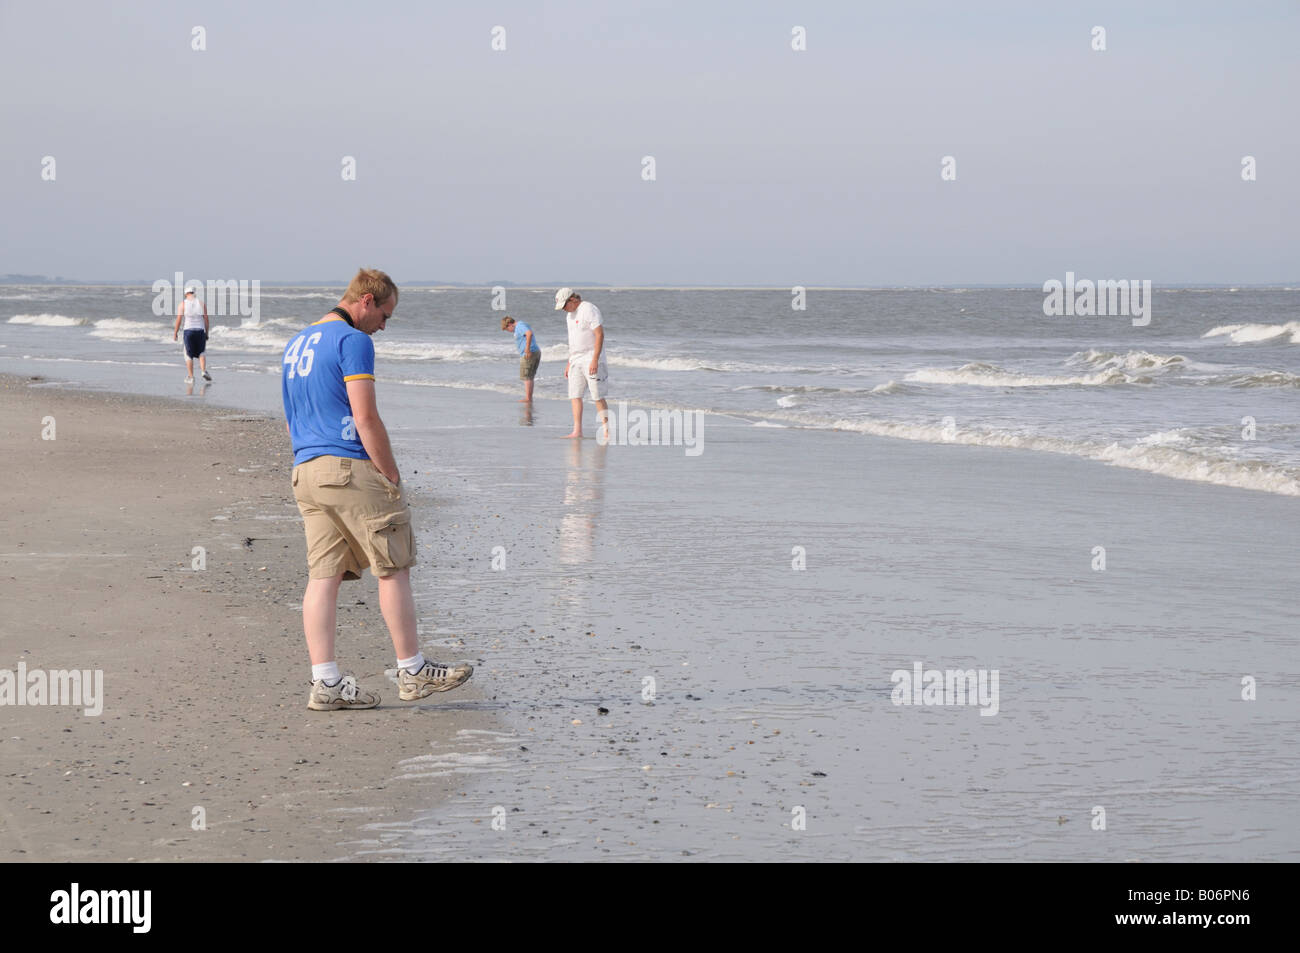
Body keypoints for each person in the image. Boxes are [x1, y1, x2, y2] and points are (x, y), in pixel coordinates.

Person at [281, 267, 473, 710]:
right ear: (366, 301)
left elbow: (293, 412)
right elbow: (365, 417)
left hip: (305, 468)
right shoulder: (354, 341)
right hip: (348, 465)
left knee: (322, 576)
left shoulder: (297, 342)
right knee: (394, 564)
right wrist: (390, 474)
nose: (384, 326)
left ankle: (325, 682)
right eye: (385, 315)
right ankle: (413, 669)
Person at [555, 288, 609, 439]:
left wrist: (595, 360)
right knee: (575, 395)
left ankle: (606, 430)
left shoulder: (589, 309)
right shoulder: (569, 316)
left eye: (565, 306)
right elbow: (573, 340)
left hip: (591, 357)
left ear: (572, 300)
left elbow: (599, 334)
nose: (564, 310)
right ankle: (577, 430)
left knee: (597, 396)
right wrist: (569, 361)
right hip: (575, 359)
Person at [172, 287, 212, 382]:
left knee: (188, 354)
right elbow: (206, 319)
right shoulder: (201, 304)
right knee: (201, 352)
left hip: (188, 331)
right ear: (194, 293)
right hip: (200, 330)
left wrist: (175, 333)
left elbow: (179, 320)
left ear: (186, 294)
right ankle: (203, 371)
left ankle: (191, 377)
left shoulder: (183, 304)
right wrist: (206, 332)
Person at [501, 315, 541, 402]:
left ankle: (528, 398)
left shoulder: (519, 326)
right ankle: (529, 397)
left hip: (529, 353)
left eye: (507, 329)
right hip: (534, 351)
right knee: (530, 377)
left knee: (526, 377)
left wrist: (527, 349)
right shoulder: (520, 325)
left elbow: (529, 333)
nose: (508, 331)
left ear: (510, 324)